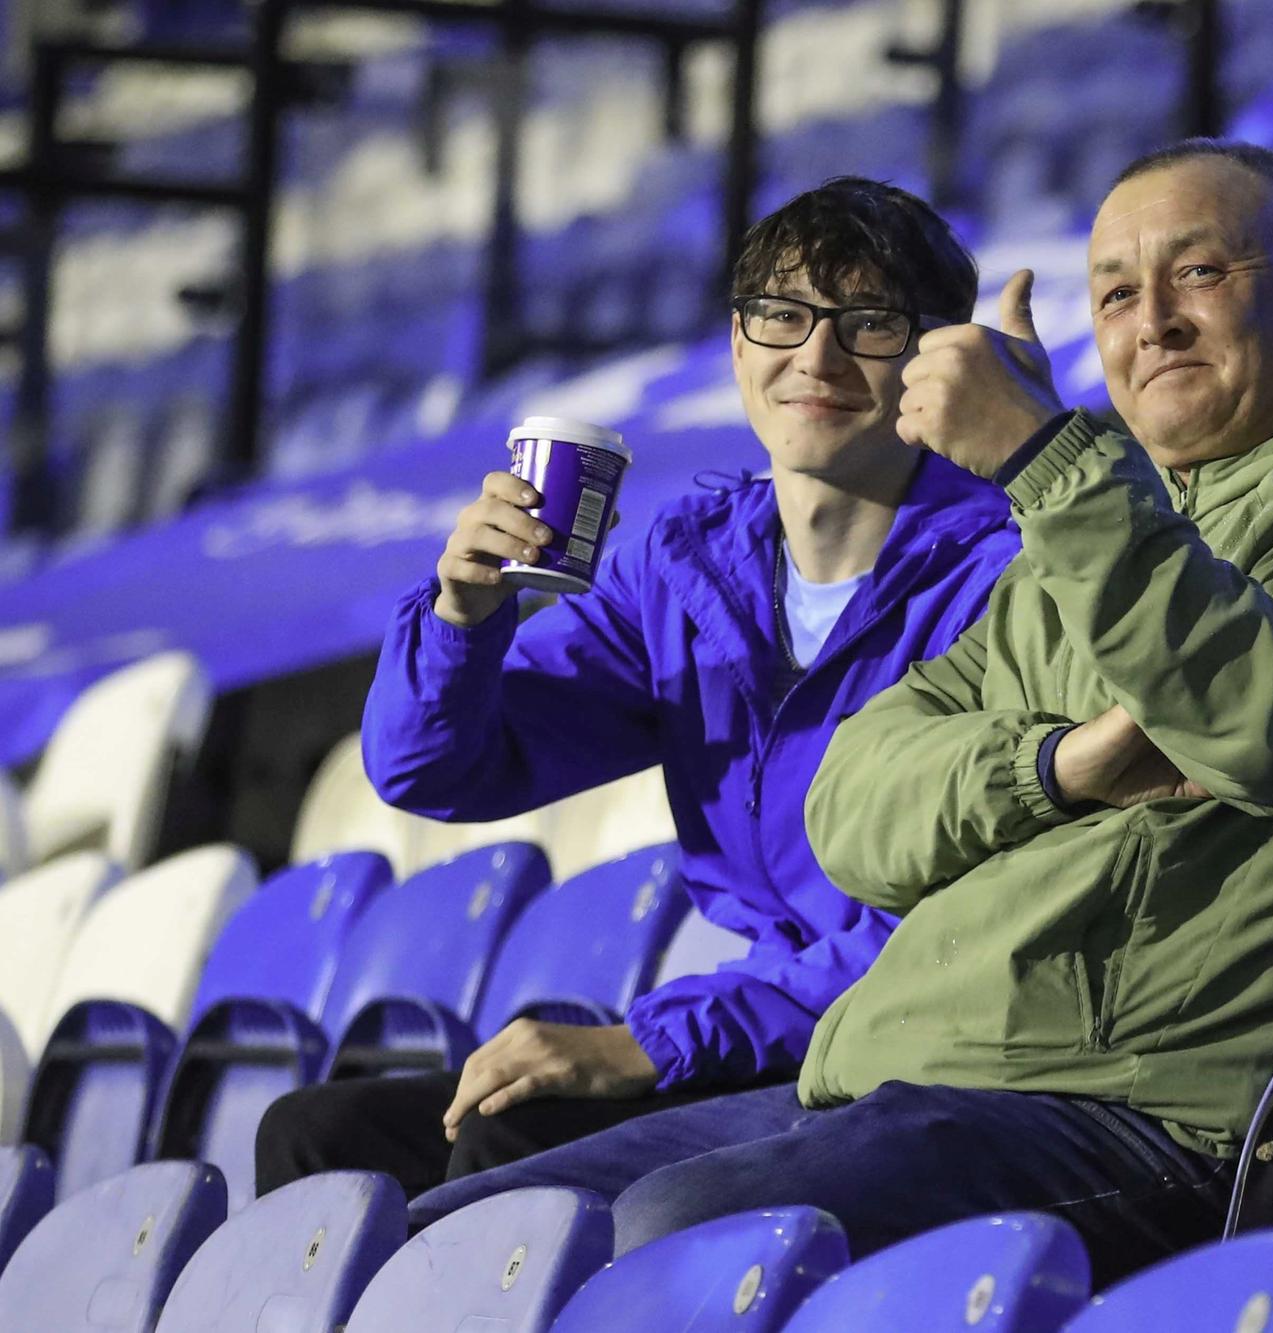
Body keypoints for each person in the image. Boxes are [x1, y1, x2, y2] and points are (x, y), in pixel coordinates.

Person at [394, 139, 1273, 1284]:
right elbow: (855, 804)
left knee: (682, 1233)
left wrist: (1042, 457)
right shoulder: (1077, 542)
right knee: (469, 1235)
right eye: (1118, 293)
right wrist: (1053, 768)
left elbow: (1264, 719)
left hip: (1142, 1113)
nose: (1154, 322)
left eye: (1201, 275)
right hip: (896, 1078)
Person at [253, 177, 1019, 1200]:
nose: (816, 358)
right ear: (737, 343)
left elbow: (955, 925)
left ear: (938, 357)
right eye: (782, 316)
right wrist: (462, 619)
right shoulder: (693, 566)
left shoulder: (1001, 571)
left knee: (512, 1149)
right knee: (317, 1135)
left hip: (910, 1039)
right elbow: (436, 769)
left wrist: (650, 1040)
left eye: (869, 324)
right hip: (770, 1027)